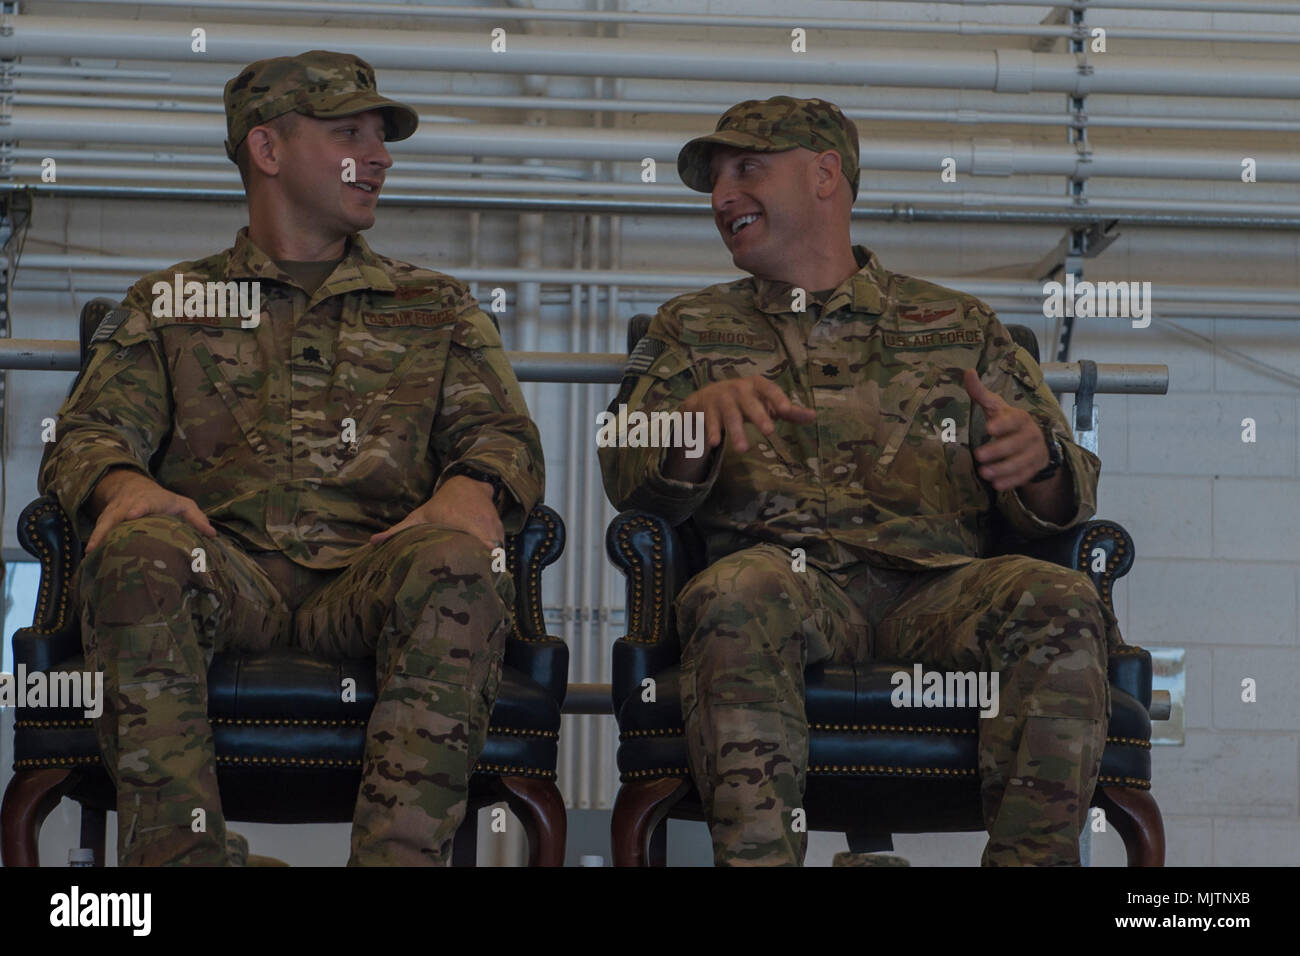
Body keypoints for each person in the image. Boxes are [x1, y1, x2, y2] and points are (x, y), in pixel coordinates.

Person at [39, 49, 544, 866]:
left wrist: (472, 489)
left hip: (372, 575)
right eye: (349, 132)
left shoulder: (436, 305)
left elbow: (506, 438)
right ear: (267, 151)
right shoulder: (172, 303)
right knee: (138, 553)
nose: (379, 156)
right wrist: (124, 486)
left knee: (458, 559)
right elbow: (87, 433)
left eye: (381, 136)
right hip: (227, 573)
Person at [599, 95, 1124, 867]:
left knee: (1060, 600)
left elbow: (1069, 488)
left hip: (938, 593)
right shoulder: (690, 328)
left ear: (824, 175)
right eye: (715, 180)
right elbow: (623, 468)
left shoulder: (959, 325)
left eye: (746, 169)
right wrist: (693, 423)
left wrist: (1037, 464)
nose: (721, 198)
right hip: (787, 585)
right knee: (733, 593)